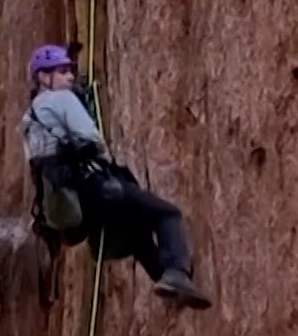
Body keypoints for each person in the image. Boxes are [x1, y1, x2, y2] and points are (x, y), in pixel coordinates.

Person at [23, 43, 212, 310]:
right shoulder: (63, 99)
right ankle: (177, 273)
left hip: (73, 202)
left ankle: (167, 284)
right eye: (63, 71)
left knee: (136, 232)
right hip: (95, 185)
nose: (70, 77)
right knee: (166, 213)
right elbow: (91, 139)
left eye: (70, 71)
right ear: (44, 77)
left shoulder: (29, 119)